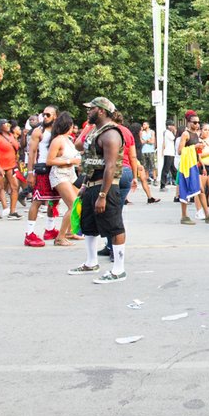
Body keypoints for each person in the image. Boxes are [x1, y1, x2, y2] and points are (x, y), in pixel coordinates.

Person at [67, 96, 128, 283]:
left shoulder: (111, 134)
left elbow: (110, 166)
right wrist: (85, 185)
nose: (88, 111)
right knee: (89, 227)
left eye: (91, 109)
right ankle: (91, 262)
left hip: (106, 188)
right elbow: (90, 161)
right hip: (91, 186)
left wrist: (102, 195)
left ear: (101, 111)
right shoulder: (95, 131)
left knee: (114, 227)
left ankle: (119, 270)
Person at [23, 105, 61, 247]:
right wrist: (30, 173)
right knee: (37, 201)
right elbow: (32, 152)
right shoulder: (38, 131)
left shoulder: (58, 131)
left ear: (55, 116)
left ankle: (50, 229)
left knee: (54, 200)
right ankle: (29, 233)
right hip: (42, 169)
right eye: (44, 114)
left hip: (55, 168)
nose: (45, 117)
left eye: (48, 115)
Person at [46, 111, 81, 246]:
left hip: (70, 173)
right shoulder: (58, 140)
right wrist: (69, 161)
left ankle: (70, 231)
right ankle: (60, 237)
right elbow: (50, 161)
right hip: (60, 174)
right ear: (68, 125)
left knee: (79, 202)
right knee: (73, 205)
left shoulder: (69, 140)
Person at [0, 119, 21, 220]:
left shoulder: (11, 135)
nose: (8, 125)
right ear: (0, 126)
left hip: (10, 165)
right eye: (5, 124)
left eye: (8, 124)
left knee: (14, 187)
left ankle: (13, 211)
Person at [160, 122, 177, 191]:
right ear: (169, 126)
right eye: (173, 126)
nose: (174, 127)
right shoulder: (168, 133)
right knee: (166, 169)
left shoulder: (167, 132)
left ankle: (178, 181)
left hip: (171, 153)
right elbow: (174, 138)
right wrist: (175, 132)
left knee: (173, 169)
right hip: (168, 153)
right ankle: (162, 185)